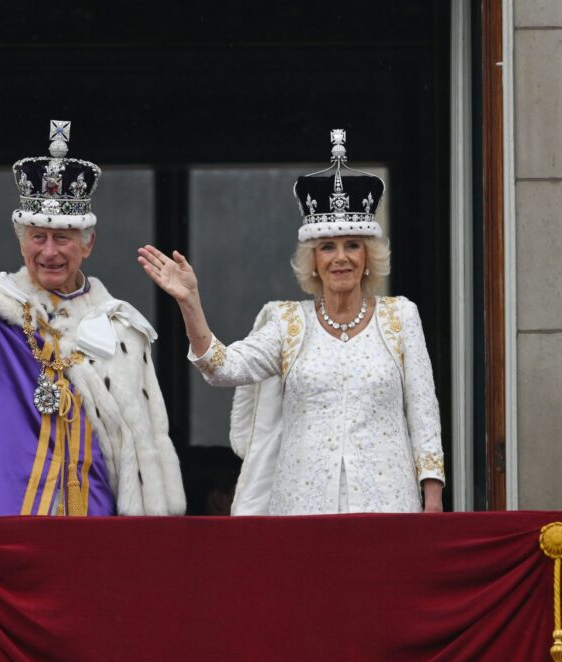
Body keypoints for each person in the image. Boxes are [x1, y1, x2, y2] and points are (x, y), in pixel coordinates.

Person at [139, 129, 444, 515]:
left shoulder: (400, 316)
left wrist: (431, 497)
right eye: (328, 247)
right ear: (313, 259)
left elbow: (424, 412)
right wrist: (190, 303)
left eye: (352, 245)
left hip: (388, 502)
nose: (341, 258)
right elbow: (221, 368)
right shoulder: (287, 323)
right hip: (302, 507)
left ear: (368, 256)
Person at [0, 121, 184, 518]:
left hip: (91, 514)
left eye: (63, 237)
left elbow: (137, 447)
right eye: (38, 236)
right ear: (21, 240)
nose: (49, 251)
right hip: (3, 513)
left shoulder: (119, 329)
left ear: (88, 244)